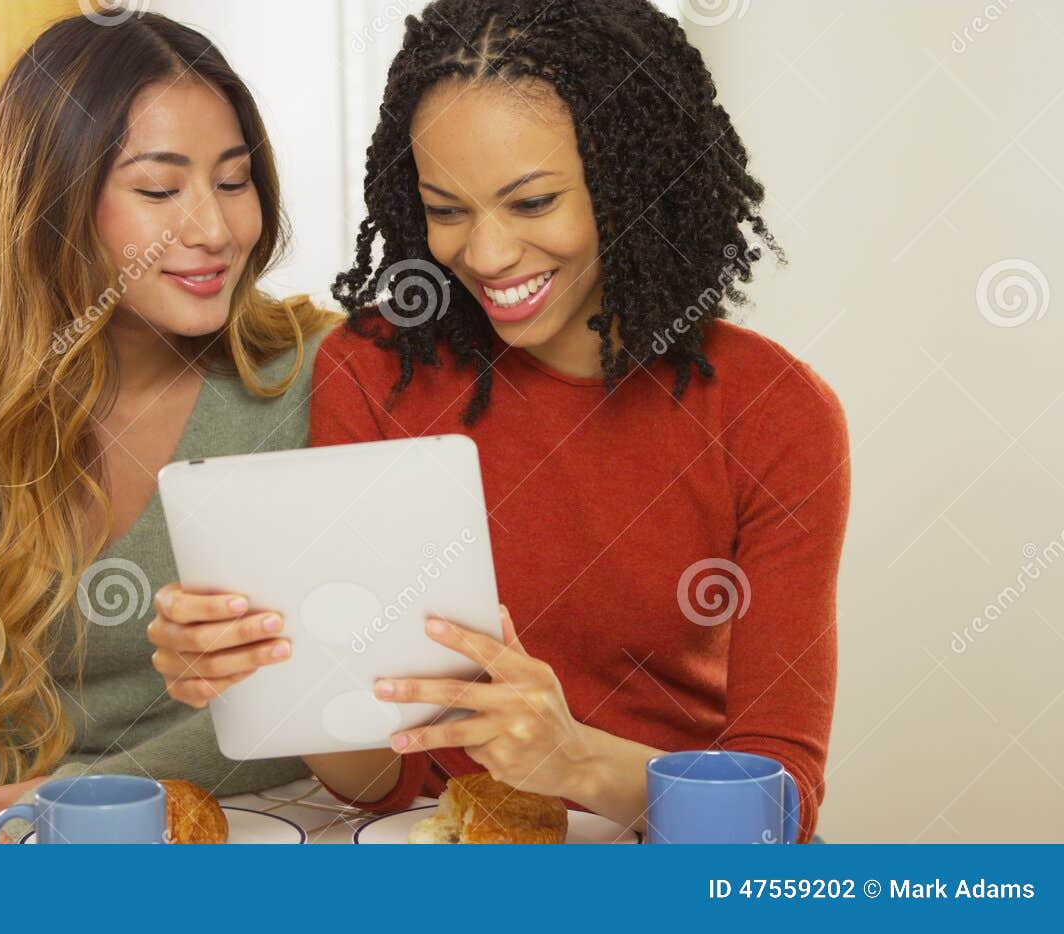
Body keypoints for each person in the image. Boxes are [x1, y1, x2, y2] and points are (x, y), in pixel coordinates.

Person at [150, 0, 848, 842]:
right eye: (447, 210)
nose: (485, 255)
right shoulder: (374, 370)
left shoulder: (774, 413)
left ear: (630, 184)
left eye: (532, 202)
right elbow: (380, 775)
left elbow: (779, 805)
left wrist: (573, 760)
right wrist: (268, 678)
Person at [0, 11, 338, 844]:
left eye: (234, 182)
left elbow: (314, 682)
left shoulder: (308, 379)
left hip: (206, 804)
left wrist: (73, 802)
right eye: (159, 189)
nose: (216, 230)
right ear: (49, 200)